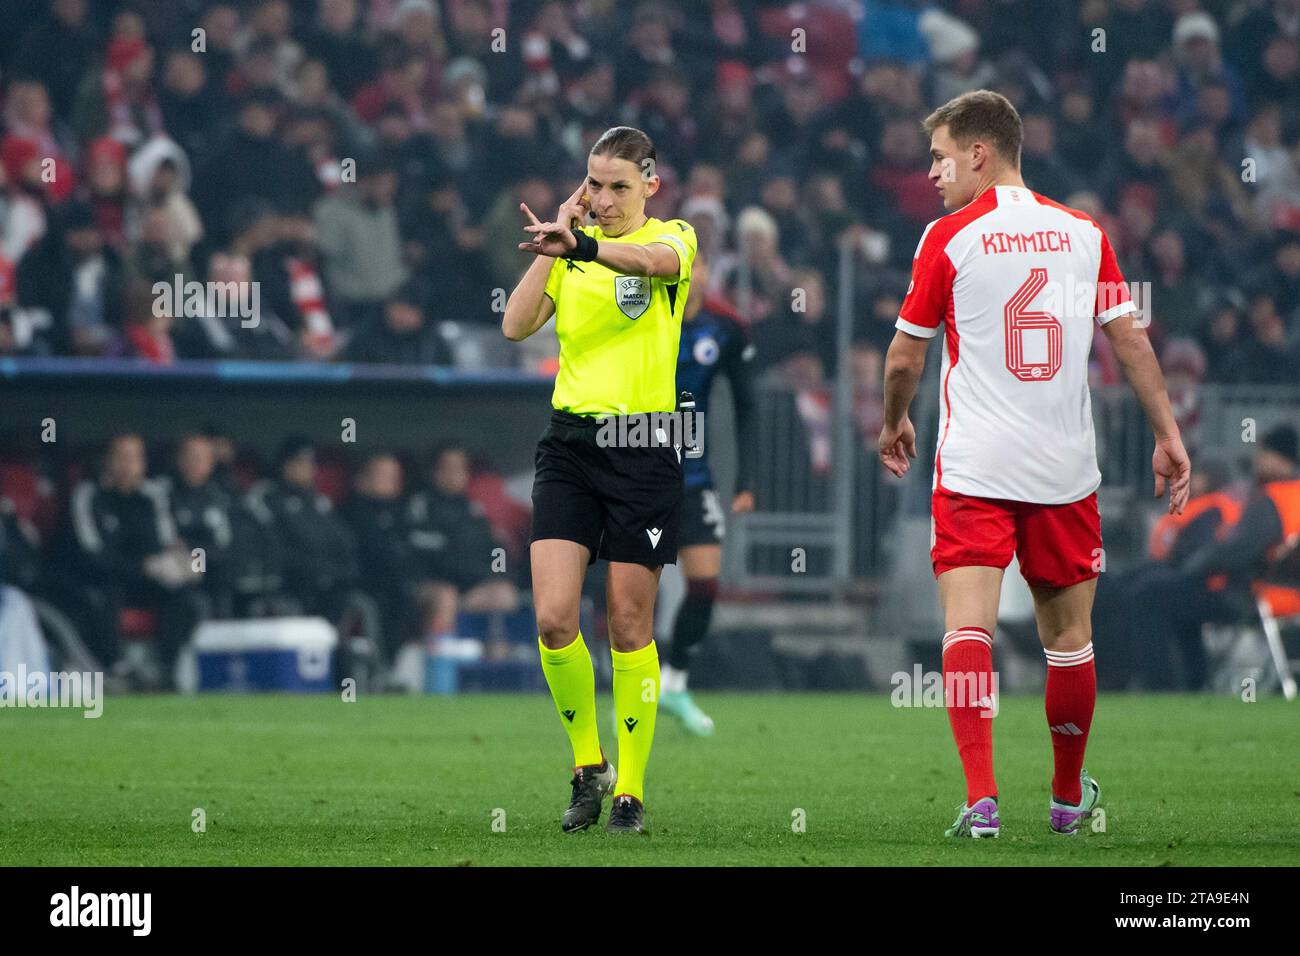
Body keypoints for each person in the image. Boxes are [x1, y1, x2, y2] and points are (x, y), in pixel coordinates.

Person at [878, 90, 1191, 839]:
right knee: (1070, 641)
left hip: (976, 467)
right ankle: (1062, 800)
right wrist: (1167, 434)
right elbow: (1131, 341)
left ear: (979, 154)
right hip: (1062, 470)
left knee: (968, 628)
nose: (932, 173)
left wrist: (893, 422)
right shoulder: (1084, 232)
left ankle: (982, 800)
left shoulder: (947, 238)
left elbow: (903, 355)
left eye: (940, 157)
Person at [502, 126, 697, 835]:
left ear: (650, 181)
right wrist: (558, 242)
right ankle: (590, 767)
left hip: (644, 446)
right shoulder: (569, 252)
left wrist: (583, 244)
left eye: (619, 185)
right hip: (571, 445)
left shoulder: (676, 237)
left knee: (626, 621)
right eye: (594, 185)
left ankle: (632, 792)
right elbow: (515, 325)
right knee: (554, 618)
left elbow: (651, 260)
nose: (605, 198)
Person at [660, 256, 757, 735]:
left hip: (693, 476)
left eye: (696, 265)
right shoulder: (643, 312)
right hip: (636, 469)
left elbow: (747, 405)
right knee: (630, 594)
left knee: (704, 585)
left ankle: (672, 684)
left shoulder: (725, 329)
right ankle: (629, 694)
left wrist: (746, 481)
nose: (688, 273)